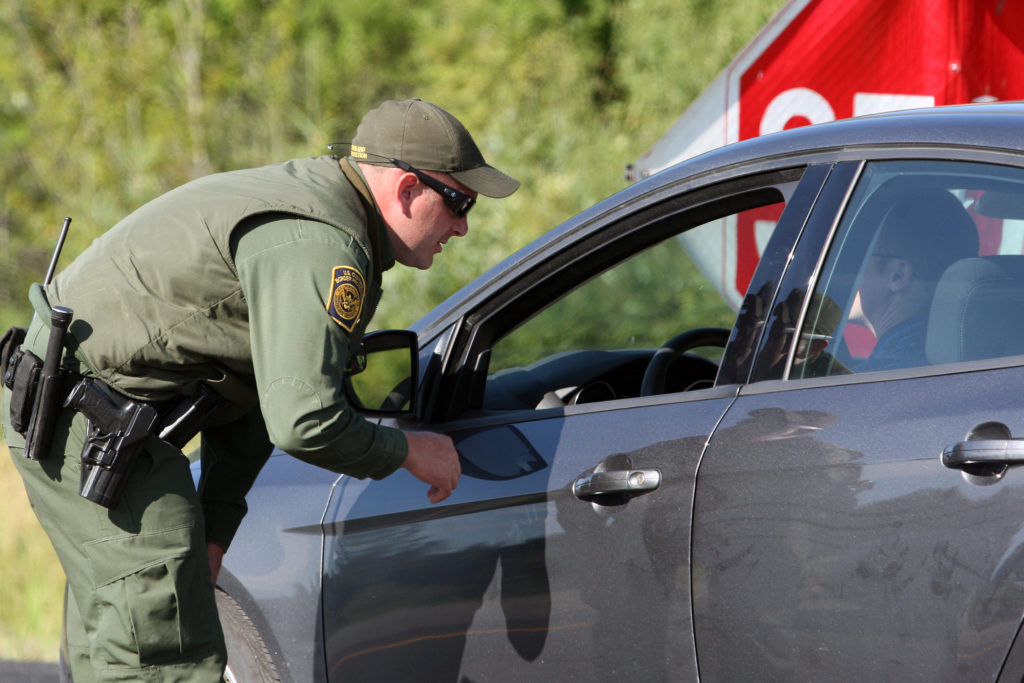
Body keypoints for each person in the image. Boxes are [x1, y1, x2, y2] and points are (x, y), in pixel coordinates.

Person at [0, 98, 519, 682]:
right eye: (459, 201)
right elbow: (303, 419)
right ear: (405, 189)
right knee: (161, 653)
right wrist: (410, 453)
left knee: (120, 647)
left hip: (85, 410)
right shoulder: (324, 244)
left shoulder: (329, 216)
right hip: (89, 420)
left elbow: (246, 393)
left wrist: (217, 529)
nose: (463, 225)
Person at [854, 188, 979, 372]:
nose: (846, 266)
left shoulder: (880, 377)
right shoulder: (958, 359)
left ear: (898, 275)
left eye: (860, 254)